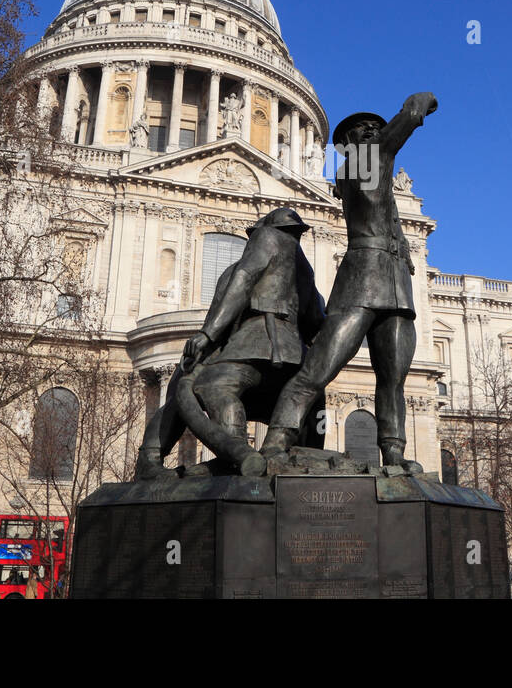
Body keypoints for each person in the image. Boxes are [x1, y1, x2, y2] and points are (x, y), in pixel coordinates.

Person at [262, 93, 439, 471]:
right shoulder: (360, 163)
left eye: (376, 129)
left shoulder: (377, 172)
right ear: (349, 144)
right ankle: (277, 437)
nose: (374, 133)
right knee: (320, 367)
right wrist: (419, 104)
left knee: (393, 380)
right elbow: (405, 120)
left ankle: (392, 453)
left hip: (395, 285)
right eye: (366, 131)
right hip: (362, 277)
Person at [135, 208, 326, 477]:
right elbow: (317, 318)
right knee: (310, 396)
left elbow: (241, 283)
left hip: (256, 347)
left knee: (194, 382)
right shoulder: (304, 267)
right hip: (293, 362)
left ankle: (162, 457)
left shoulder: (265, 239)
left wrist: (206, 335)